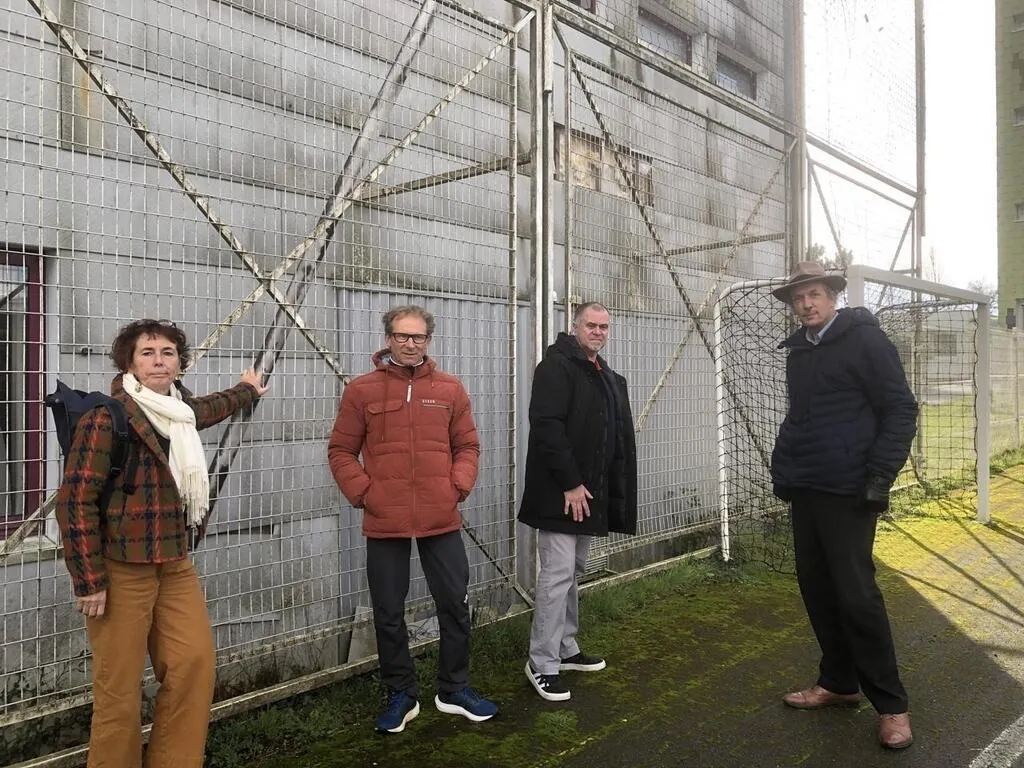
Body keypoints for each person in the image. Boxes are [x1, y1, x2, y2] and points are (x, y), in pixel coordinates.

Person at [55, 318, 268, 768]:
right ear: (129, 361)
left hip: (174, 562)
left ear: (179, 361)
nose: (158, 361)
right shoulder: (106, 416)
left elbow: (209, 408)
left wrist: (246, 389)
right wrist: (89, 580)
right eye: (148, 353)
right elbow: (74, 503)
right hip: (120, 568)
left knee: (193, 665)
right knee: (119, 691)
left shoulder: (180, 409)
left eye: (167, 352)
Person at [327, 305, 497, 733]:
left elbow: (468, 446)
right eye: (402, 336)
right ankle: (401, 692)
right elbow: (341, 451)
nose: (410, 344)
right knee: (388, 610)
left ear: (429, 341)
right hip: (385, 519)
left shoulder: (449, 389)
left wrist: (456, 486)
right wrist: (366, 494)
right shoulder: (362, 391)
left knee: (454, 604)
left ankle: (454, 688)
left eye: (418, 337)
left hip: (442, 518)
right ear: (388, 338)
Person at [769, 262, 918, 750]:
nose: (806, 305)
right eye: (798, 299)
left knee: (856, 594)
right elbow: (803, 418)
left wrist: (879, 477)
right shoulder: (800, 353)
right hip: (808, 486)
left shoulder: (866, 341)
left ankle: (893, 706)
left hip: (851, 491)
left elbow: (900, 409)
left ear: (833, 295)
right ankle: (838, 682)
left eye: (814, 294)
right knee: (816, 587)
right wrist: (785, 465)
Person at [518, 301, 638, 702]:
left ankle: (566, 648)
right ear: (575, 326)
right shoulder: (556, 366)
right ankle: (541, 663)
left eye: (605, 326)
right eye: (592, 324)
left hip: (588, 496)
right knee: (556, 576)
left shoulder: (603, 375)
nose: (599, 331)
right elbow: (547, 426)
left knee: (573, 570)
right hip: (561, 495)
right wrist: (570, 482)